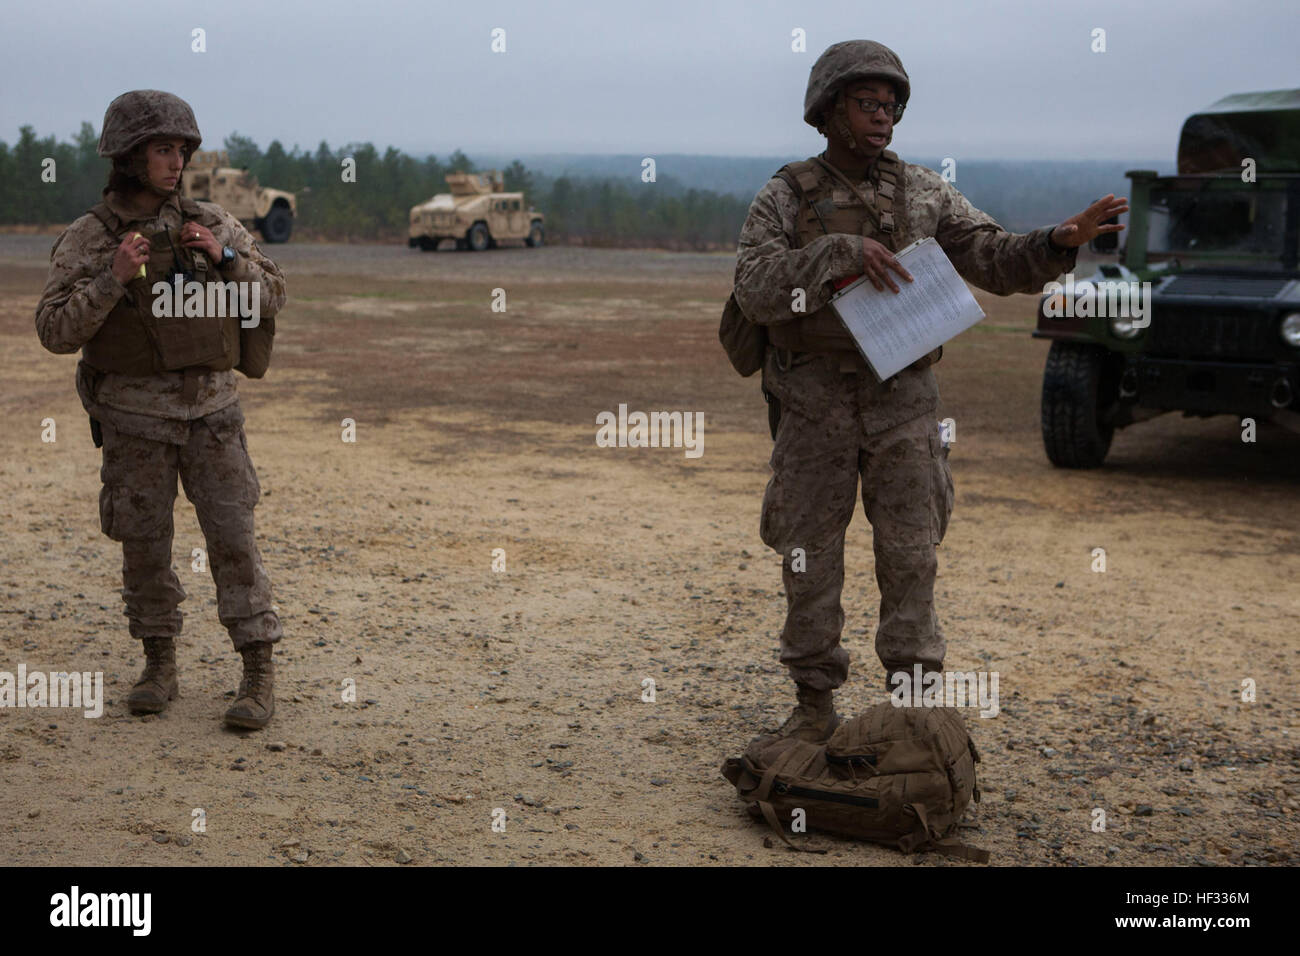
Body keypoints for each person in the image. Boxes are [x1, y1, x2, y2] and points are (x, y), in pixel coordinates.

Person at [733, 41, 1126, 741]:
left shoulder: (922, 192)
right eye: (868, 103)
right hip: (812, 399)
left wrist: (1058, 242)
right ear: (827, 109)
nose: (884, 116)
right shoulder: (786, 195)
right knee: (808, 556)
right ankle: (813, 706)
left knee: (912, 552)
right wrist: (840, 253)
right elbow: (757, 288)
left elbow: (995, 258)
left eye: (892, 104)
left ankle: (911, 711)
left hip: (903, 401)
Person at [35, 90, 287, 729]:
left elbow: (274, 296)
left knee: (233, 541)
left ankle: (257, 673)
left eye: (181, 150)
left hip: (212, 415)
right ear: (128, 157)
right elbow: (55, 330)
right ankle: (159, 664)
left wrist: (226, 259)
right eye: (161, 150)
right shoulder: (91, 238)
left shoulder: (214, 222)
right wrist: (112, 278)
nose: (175, 163)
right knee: (144, 546)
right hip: (133, 422)